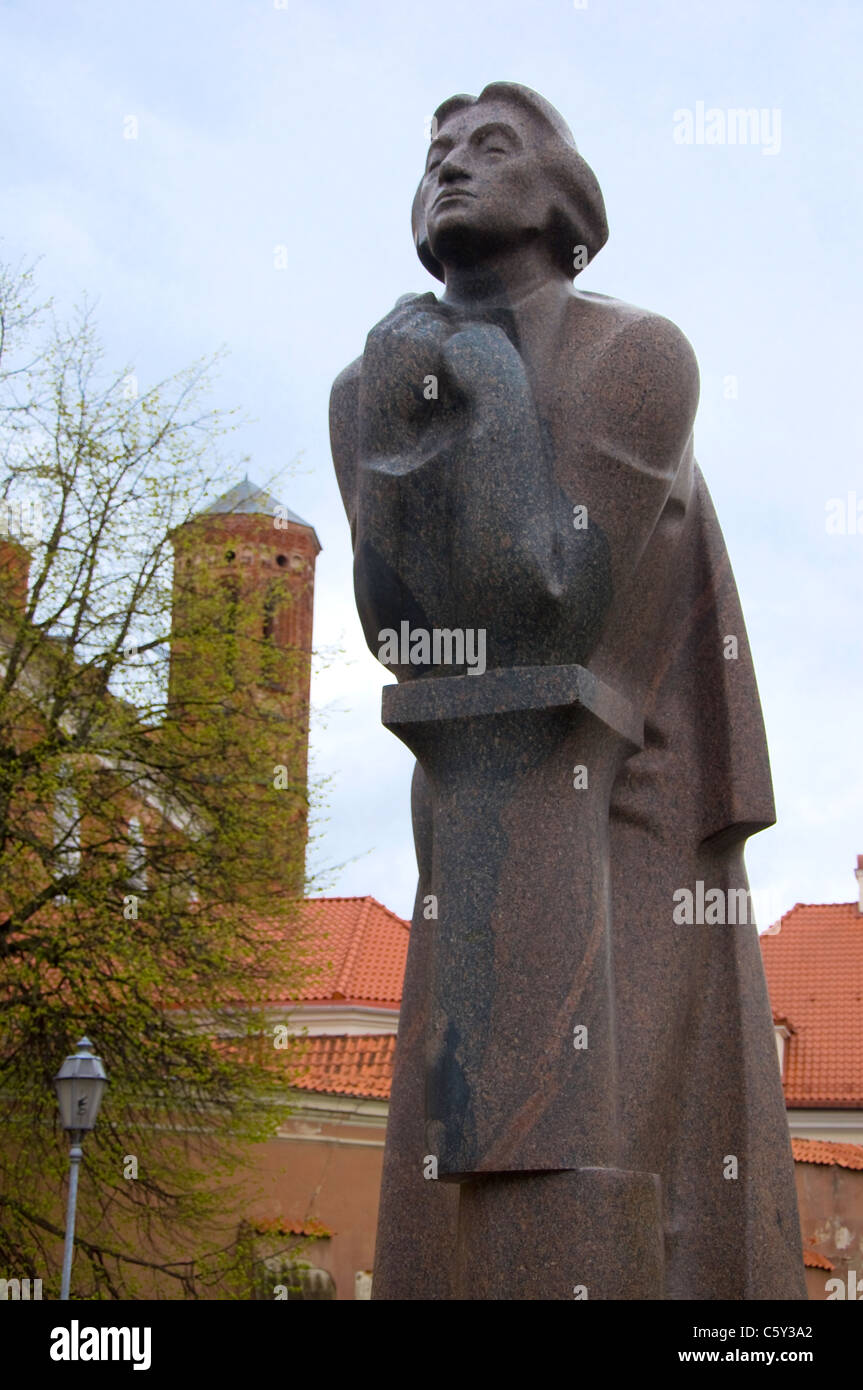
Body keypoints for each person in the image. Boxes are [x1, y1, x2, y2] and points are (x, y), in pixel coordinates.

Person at [330, 82, 806, 1300]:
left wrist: (467, 380)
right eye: (433, 149)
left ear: (562, 205)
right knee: (452, 1191)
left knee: (597, 1168)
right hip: (475, 818)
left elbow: (547, 597)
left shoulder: (633, 358)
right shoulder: (370, 381)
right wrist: (409, 395)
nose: (449, 166)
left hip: (623, 814)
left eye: (489, 148)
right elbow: (398, 629)